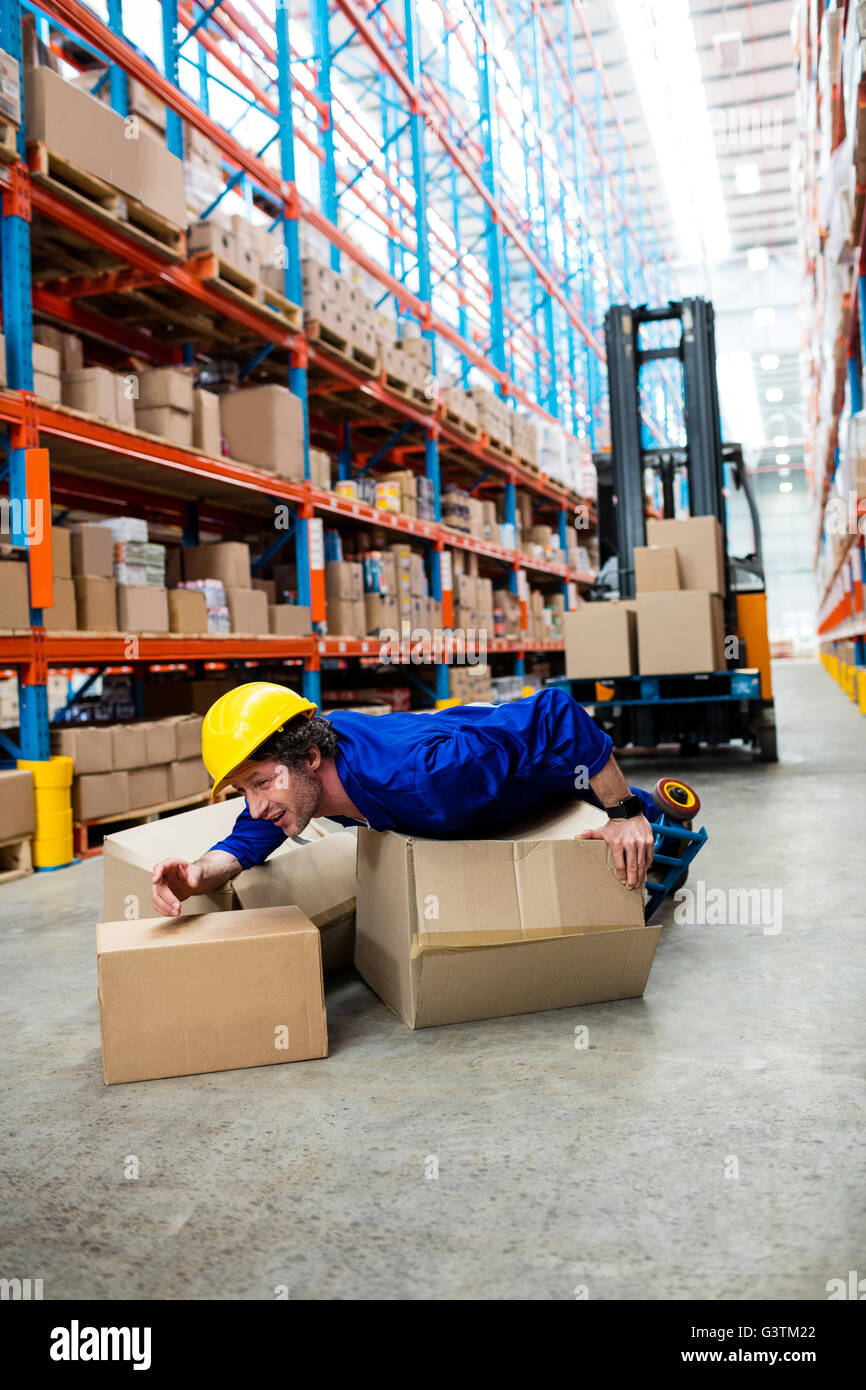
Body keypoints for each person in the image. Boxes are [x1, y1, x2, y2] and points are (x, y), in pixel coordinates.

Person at [151, 680, 663, 918]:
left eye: (260, 784)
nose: (255, 805)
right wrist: (199, 874)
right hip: (465, 778)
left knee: (642, 829)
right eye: (244, 790)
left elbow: (554, 712)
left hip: (552, 783)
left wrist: (624, 813)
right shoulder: (304, 778)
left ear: (309, 757)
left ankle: (655, 808)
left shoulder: (429, 778)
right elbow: (251, 835)